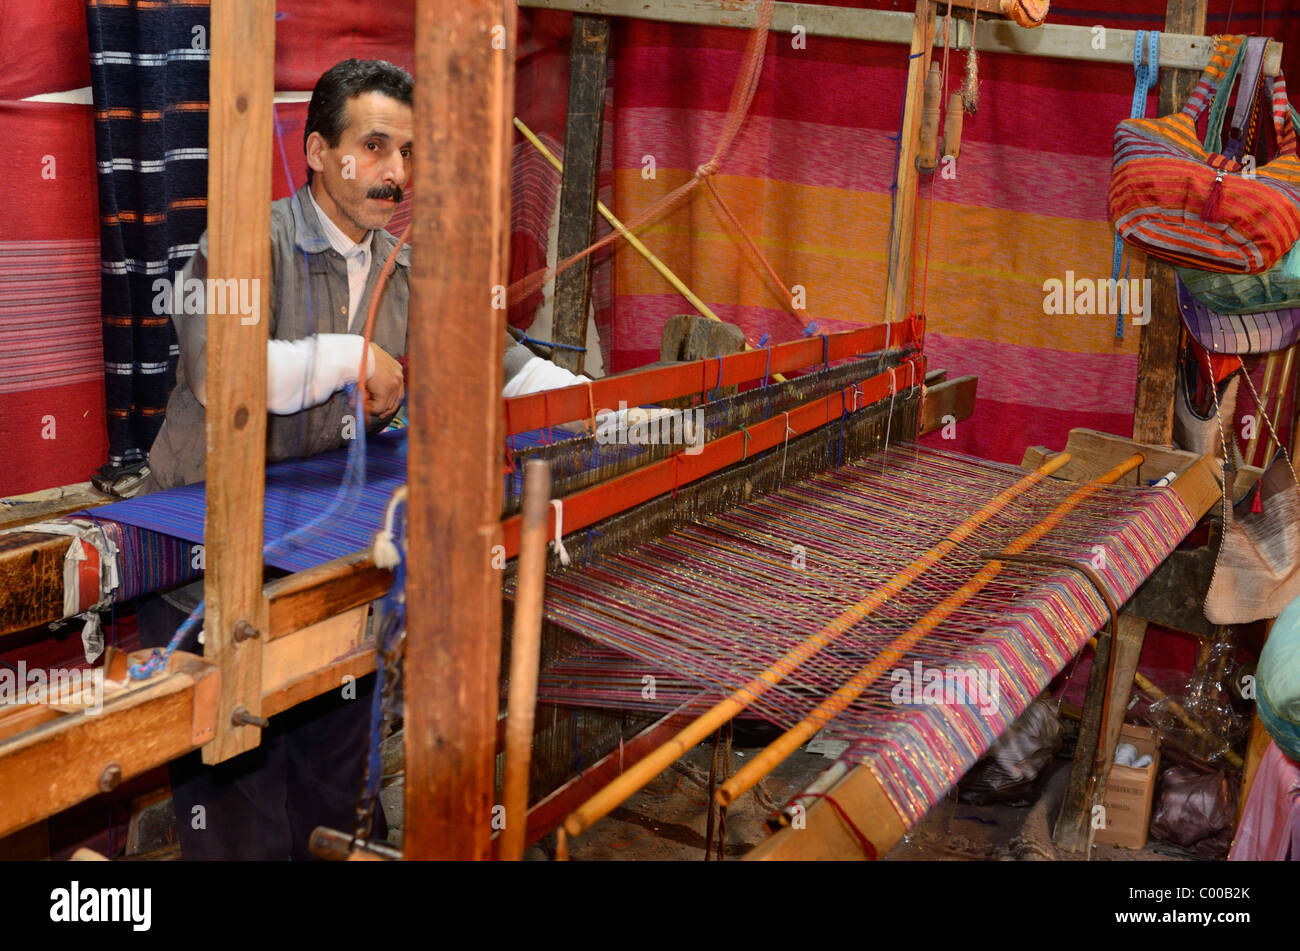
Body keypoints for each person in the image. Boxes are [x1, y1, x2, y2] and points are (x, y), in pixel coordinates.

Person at [138, 58, 592, 859]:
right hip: (204, 567)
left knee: (338, 813)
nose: (398, 173)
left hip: (325, 571)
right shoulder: (246, 244)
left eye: (410, 154)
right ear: (317, 151)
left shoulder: (409, 268)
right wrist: (353, 357)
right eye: (375, 147)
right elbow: (221, 376)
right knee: (244, 827)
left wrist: (619, 409)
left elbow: (508, 369)